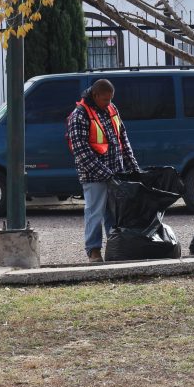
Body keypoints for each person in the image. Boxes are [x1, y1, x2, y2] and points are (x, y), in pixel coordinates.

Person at [67, 79, 140, 263]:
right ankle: (93, 251)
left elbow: (123, 139)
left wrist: (133, 166)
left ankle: (115, 250)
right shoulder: (80, 115)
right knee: (94, 212)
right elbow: (81, 152)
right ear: (95, 95)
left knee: (113, 214)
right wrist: (106, 173)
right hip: (93, 175)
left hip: (115, 172)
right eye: (105, 99)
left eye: (110, 99)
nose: (108, 103)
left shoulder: (111, 108)